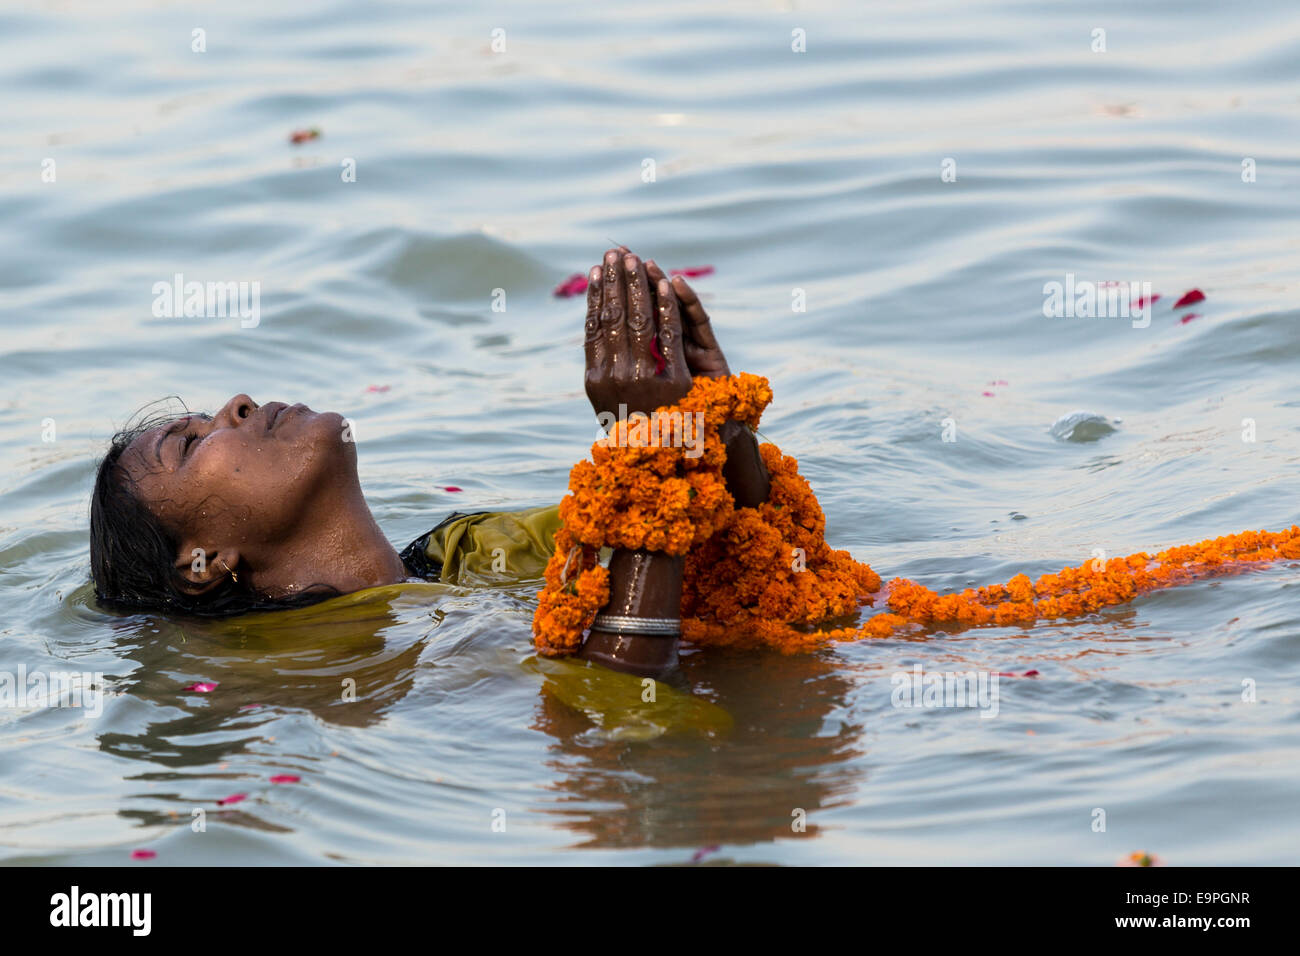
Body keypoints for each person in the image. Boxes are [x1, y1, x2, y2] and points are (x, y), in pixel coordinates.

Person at [90, 247, 769, 676]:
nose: (235, 404)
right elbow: (613, 709)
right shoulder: (312, 668)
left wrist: (712, 432)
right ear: (202, 564)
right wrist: (643, 447)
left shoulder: (469, 552)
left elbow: (742, 568)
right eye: (188, 443)